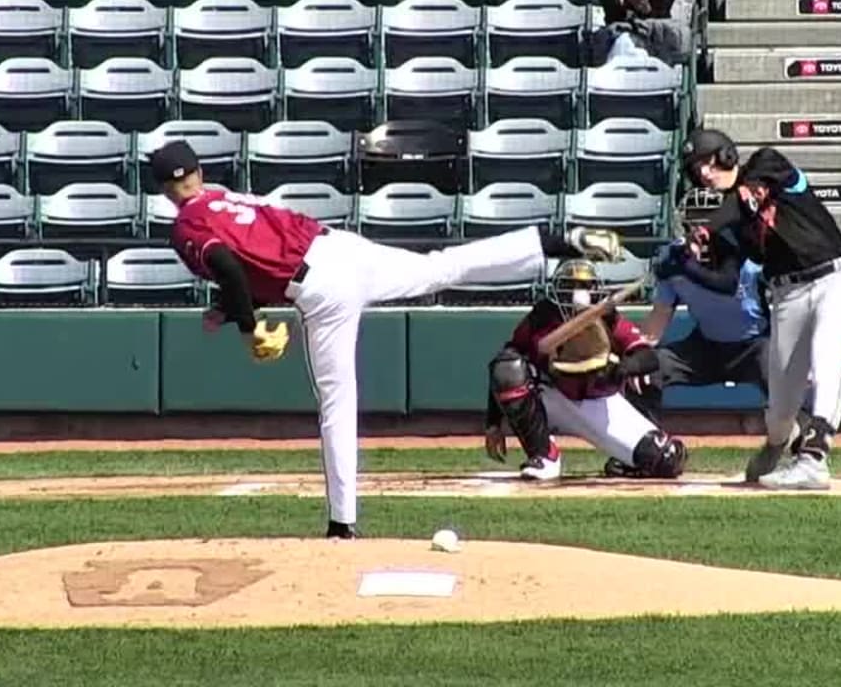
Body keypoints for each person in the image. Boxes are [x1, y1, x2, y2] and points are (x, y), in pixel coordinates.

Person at [153, 140, 626, 536]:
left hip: (319, 288)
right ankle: (554, 241)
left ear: (163, 189)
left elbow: (231, 267)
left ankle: (343, 523)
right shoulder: (231, 198)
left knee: (337, 401)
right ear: (199, 170)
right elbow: (250, 263)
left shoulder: (188, 223)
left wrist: (247, 327)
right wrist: (233, 308)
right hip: (339, 247)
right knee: (442, 266)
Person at [679, 128, 841, 490]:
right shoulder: (728, 227)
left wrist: (705, 230)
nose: (704, 172)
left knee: (827, 361)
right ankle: (775, 445)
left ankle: (814, 458)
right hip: (787, 295)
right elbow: (728, 275)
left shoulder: (767, 162)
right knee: (781, 404)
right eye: (696, 167)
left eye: (708, 161)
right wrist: (684, 263)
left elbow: (743, 201)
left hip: (836, 278)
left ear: (727, 154)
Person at [605, 188, 770, 477]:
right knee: (646, 371)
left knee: (788, 383)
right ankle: (644, 452)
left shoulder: (751, 255)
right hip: (705, 345)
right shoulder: (673, 258)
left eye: (710, 218)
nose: (702, 229)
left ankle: (805, 456)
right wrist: (638, 355)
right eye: (696, 219)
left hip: (757, 344)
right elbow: (657, 323)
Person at [484, 259, 688, 481]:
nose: (576, 292)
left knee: (666, 458)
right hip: (550, 399)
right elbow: (504, 363)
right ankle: (544, 455)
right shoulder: (542, 317)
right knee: (509, 366)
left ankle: (627, 461)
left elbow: (647, 356)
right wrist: (493, 423)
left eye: (583, 286)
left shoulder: (608, 318)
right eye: (570, 285)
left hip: (598, 403)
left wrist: (622, 368)